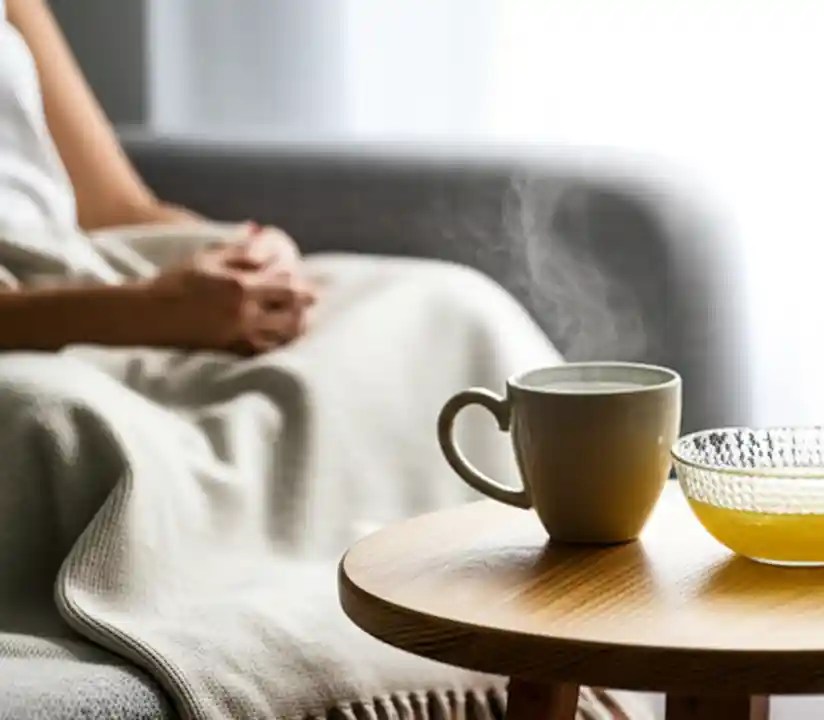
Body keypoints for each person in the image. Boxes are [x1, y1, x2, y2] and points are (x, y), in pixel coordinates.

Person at [0, 2, 639, 718]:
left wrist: (237, 255)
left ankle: (554, 622)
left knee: (445, 308)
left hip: (99, 275)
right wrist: (145, 314)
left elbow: (122, 208)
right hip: (28, 335)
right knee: (63, 417)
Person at [1, 0, 313, 354]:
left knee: (376, 309)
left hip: (83, 268)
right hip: (37, 331)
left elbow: (118, 211)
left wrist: (251, 252)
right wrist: (139, 314)